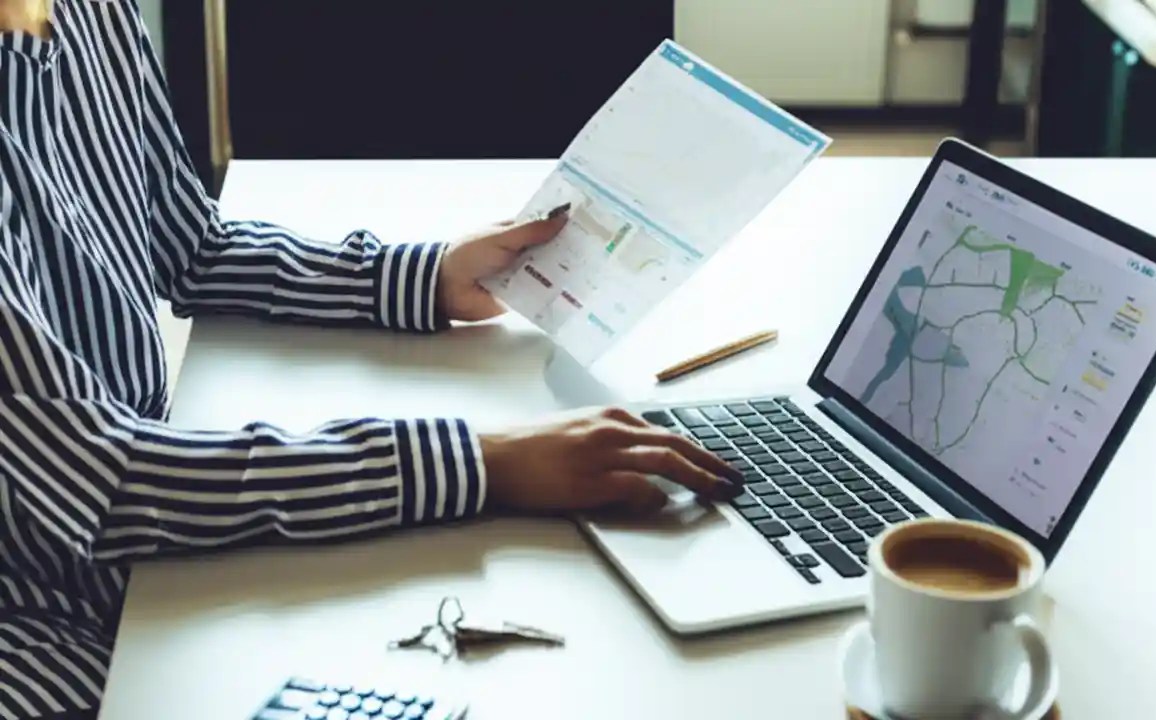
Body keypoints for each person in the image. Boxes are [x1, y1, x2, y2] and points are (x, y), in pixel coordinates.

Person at [0, 1, 742, 717]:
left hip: (151, 563)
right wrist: (484, 464)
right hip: (44, 637)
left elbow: (189, 244)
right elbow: (106, 482)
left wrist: (423, 277)